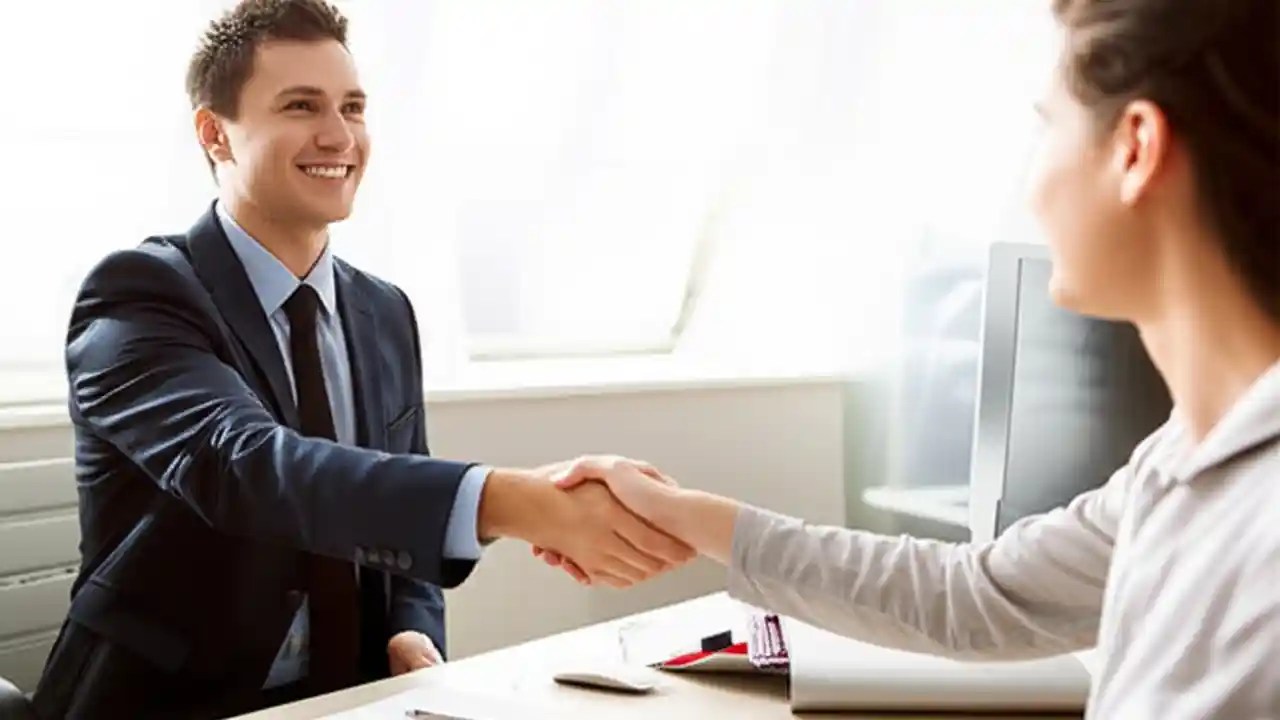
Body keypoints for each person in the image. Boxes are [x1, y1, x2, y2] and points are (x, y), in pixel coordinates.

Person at [544, 0, 1280, 717]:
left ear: (1135, 149)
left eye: (1047, 126)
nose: (1032, 181)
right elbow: (978, 596)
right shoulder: (1182, 461)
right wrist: (688, 517)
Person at [30, 1, 690, 717]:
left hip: (350, 699)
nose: (338, 135)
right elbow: (245, 465)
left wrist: (411, 625)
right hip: (168, 701)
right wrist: (512, 501)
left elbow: (393, 500)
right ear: (215, 133)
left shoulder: (384, 311)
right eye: (300, 105)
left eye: (353, 107)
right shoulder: (139, 292)